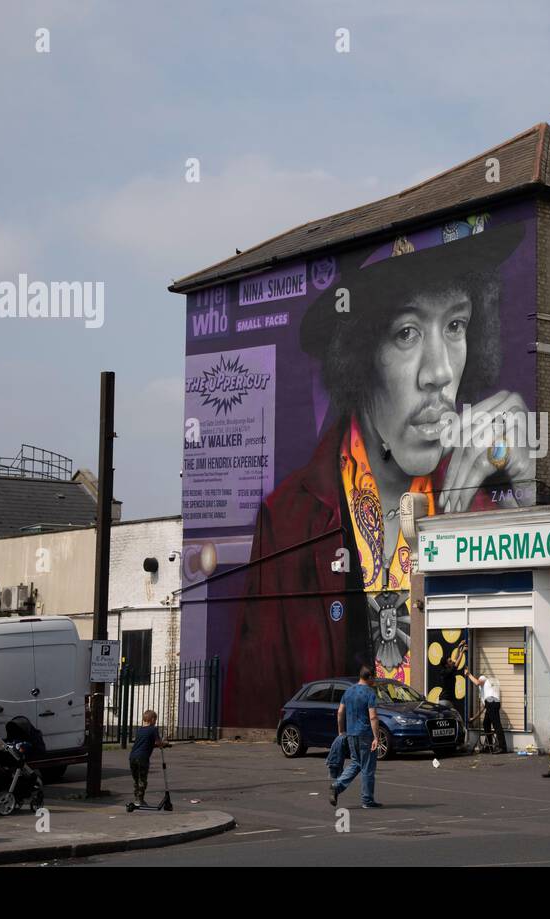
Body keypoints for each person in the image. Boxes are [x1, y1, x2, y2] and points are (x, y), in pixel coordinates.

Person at [223, 218, 531, 729]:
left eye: (455, 326)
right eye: (407, 333)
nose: (439, 372)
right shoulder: (289, 518)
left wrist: (524, 499)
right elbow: (254, 710)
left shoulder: (487, 494)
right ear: (359, 356)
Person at [330, 667, 383, 809]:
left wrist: (341, 732)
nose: (374, 680)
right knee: (367, 768)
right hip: (365, 733)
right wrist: (376, 737)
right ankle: (367, 800)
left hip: (351, 733)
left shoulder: (348, 691)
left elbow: (340, 712)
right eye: (374, 677)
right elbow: (373, 716)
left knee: (356, 763)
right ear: (369, 677)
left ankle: (337, 785)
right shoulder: (370, 693)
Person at [129, 710, 168, 806]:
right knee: (142, 779)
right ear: (153, 719)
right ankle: (140, 800)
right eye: (156, 719)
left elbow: (146, 743)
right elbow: (158, 743)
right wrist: (164, 743)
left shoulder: (140, 730)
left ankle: (136, 799)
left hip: (132, 757)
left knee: (136, 779)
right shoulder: (153, 729)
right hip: (142, 758)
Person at [464, 666, 506, 753]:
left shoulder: (483, 679)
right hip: (490, 703)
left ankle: (502, 747)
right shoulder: (485, 692)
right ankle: (489, 746)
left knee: (497, 725)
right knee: (486, 723)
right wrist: (473, 718)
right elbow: (483, 708)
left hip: (492, 702)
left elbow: (477, 682)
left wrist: (468, 674)